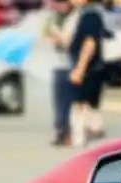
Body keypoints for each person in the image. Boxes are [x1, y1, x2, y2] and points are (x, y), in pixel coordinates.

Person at [67, 0, 106, 149]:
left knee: (80, 104)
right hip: (89, 67)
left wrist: (80, 69)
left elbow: (90, 43)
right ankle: (87, 132)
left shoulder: (91, 15)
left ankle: (80, 136)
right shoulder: (84, 13)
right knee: (86, 104)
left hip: (89, 68)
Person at [46, 0, 74, 146]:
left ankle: (68, 132)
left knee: (69, 102)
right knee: (58, 101)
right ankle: (60, 130)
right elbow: (46, 37)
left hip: (71, 65)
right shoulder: (53, 19)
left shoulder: (74, 17)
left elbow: (71, 40)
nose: (59, 6)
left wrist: (61, 39)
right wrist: (53, 39)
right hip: (58, 65)